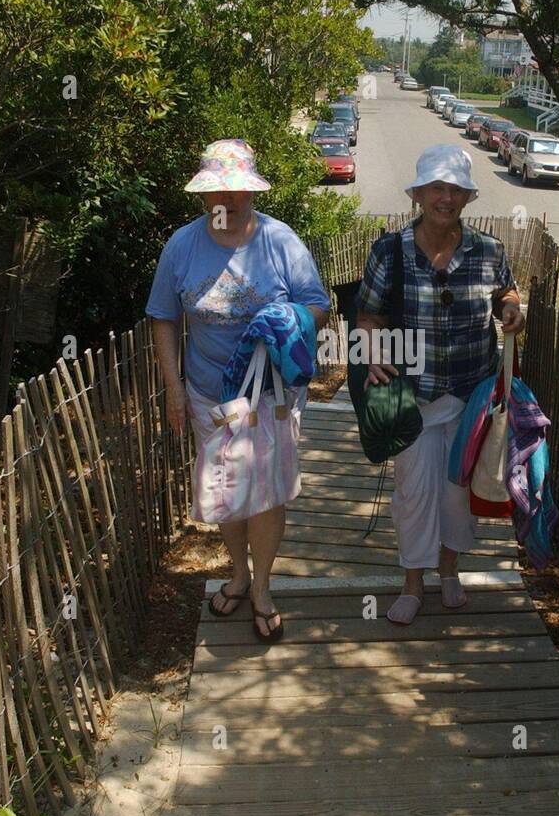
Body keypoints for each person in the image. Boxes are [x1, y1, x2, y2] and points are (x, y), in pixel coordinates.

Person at [146, 139, 330, 641]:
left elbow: (318, 302)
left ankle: (264, 586)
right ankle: (239, 574)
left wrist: (288, 317)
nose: (228, 199)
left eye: (238, 189)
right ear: (205, 196)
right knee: (227, 490)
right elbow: (163, 316)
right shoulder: (181, 246)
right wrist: (173, 387)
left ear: (252, 191)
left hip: (271, 396)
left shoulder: (280, 240)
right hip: (211, 395)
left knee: (267, 494)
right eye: (218, 191)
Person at [355, 144, 525, 625]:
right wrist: (373, 355)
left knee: (457, 491)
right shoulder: (390, 250)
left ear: (467, 197)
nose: (445, 198)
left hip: (472, 395)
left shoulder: (488, 250)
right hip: (413, 396)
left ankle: (449, 573)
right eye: (437, 188)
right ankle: (413, 583)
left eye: (454, 189)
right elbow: (367, 317)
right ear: (420, 194)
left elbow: (505, 294)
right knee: (413, 491)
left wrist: (512, 310)